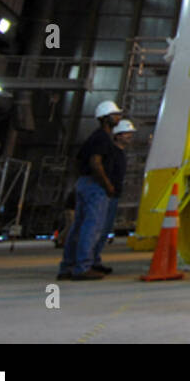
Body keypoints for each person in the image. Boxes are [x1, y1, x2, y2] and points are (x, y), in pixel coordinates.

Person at [57, 100, 123, 281]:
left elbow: (79, 161)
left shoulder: (95, 137)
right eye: (116, 115)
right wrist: (107, 184)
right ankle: (83, 267)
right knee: (91, 227)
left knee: (78, 227)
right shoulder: (102, 137)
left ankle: (68, 266)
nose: (119, 117)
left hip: (85, 183)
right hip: (95, 186)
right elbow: (95, 162)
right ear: (106, 118)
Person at [90, 118, 136, 274]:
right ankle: (89, 261)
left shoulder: (120, 153)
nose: (129, 136)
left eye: (130, 133)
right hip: (106, 194)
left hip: (113, 195)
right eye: (126, 133)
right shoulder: (111, 152)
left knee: (104, 230)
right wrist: (107, 187)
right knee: (97, 229)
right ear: (117, 135)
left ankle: (94, 260)